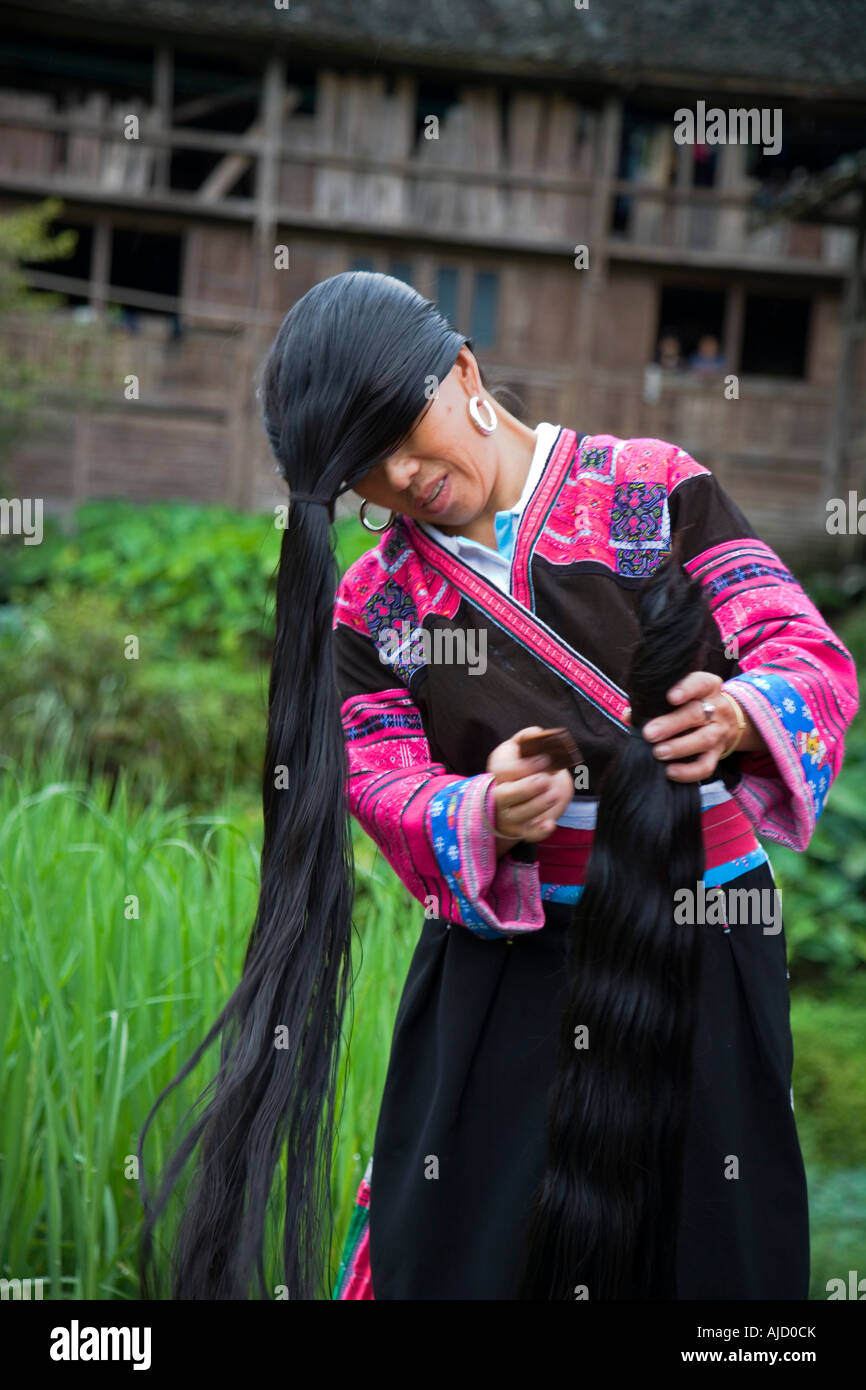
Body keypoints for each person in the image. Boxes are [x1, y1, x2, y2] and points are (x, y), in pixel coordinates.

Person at [139, 271, 858, 1302]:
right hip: (503, 960)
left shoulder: (649, 487)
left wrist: (743, 710)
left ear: (464, 372)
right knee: (461, 1248)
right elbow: (380, 777)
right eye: (364, 475)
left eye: (402, 430)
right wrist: (479, 808)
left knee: (707, 1254)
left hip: (695, 938)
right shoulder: (372, 602)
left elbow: (805, 652)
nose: (400, 475)